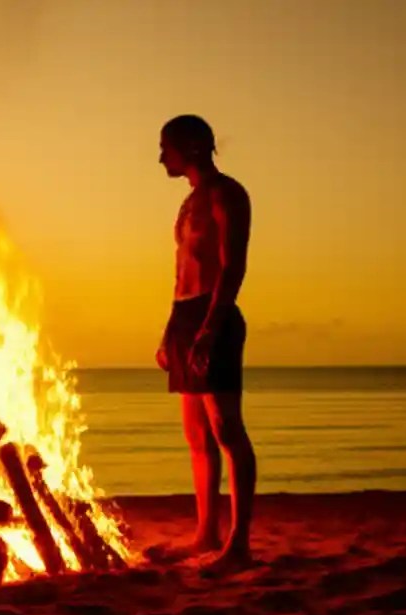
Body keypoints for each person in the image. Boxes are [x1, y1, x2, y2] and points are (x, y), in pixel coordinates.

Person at [150, 115, 258, 571]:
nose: (160, 158)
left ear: (192, 148)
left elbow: (232, 267)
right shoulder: (188, 203)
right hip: (184, 315)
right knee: (196, 435)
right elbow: (182, 271)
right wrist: (169, 331)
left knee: (226, 430)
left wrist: (210, 328)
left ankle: (239, 544)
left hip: (214, 315)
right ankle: (205, 534)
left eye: (166, 148)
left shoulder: (226, 194)